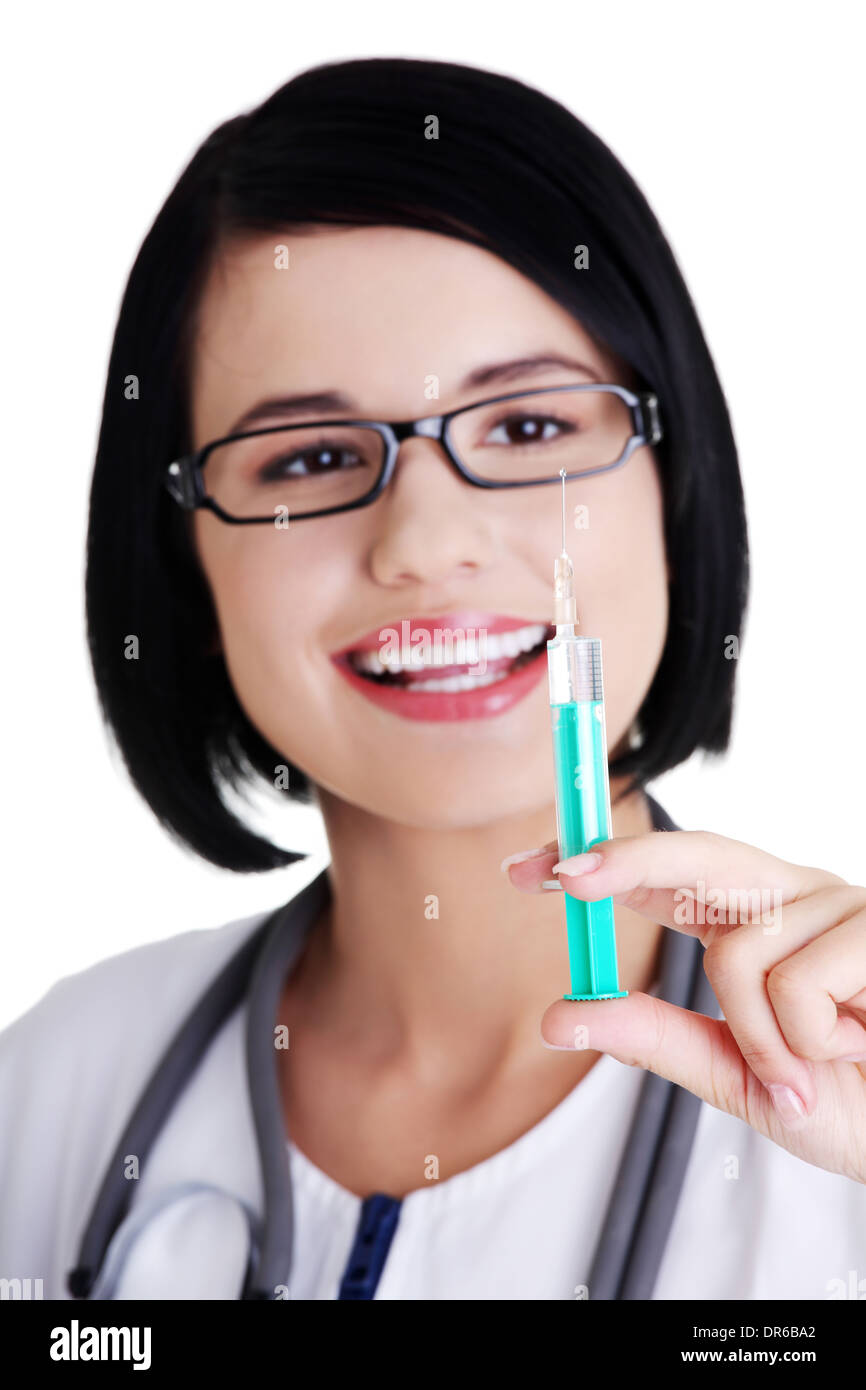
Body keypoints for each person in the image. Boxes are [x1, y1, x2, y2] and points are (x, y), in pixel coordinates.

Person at [1, 56, 865, 1302]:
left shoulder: (838, 1113)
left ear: (672, 493)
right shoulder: (52, 1101)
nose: (422, 543)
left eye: (525, 428)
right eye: (305, 456)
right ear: (182, 570)